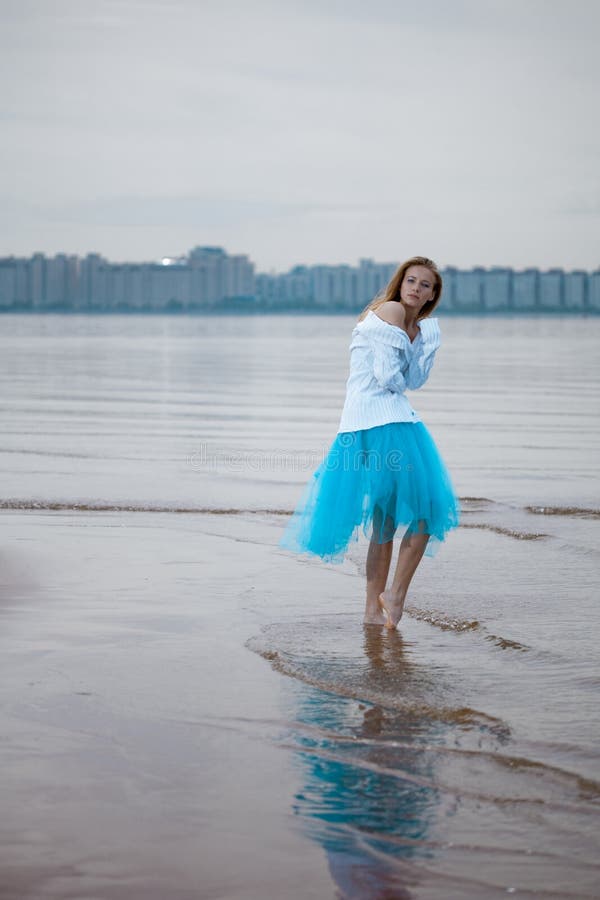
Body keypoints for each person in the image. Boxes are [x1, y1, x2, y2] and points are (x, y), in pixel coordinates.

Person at [279, 256, 460, 630]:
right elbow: (390, 378)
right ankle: (393, 597)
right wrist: (408, 350)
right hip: (381, 423)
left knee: (386, 523)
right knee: (424, 513)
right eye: (411, 280)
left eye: (425, 285)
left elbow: (415, 380)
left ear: (432, 295)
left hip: (384, 422)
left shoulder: (415, 327)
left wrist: (423, 344)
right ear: (401, 283)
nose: (415, 288)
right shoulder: (390, 312)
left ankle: (373, 612)